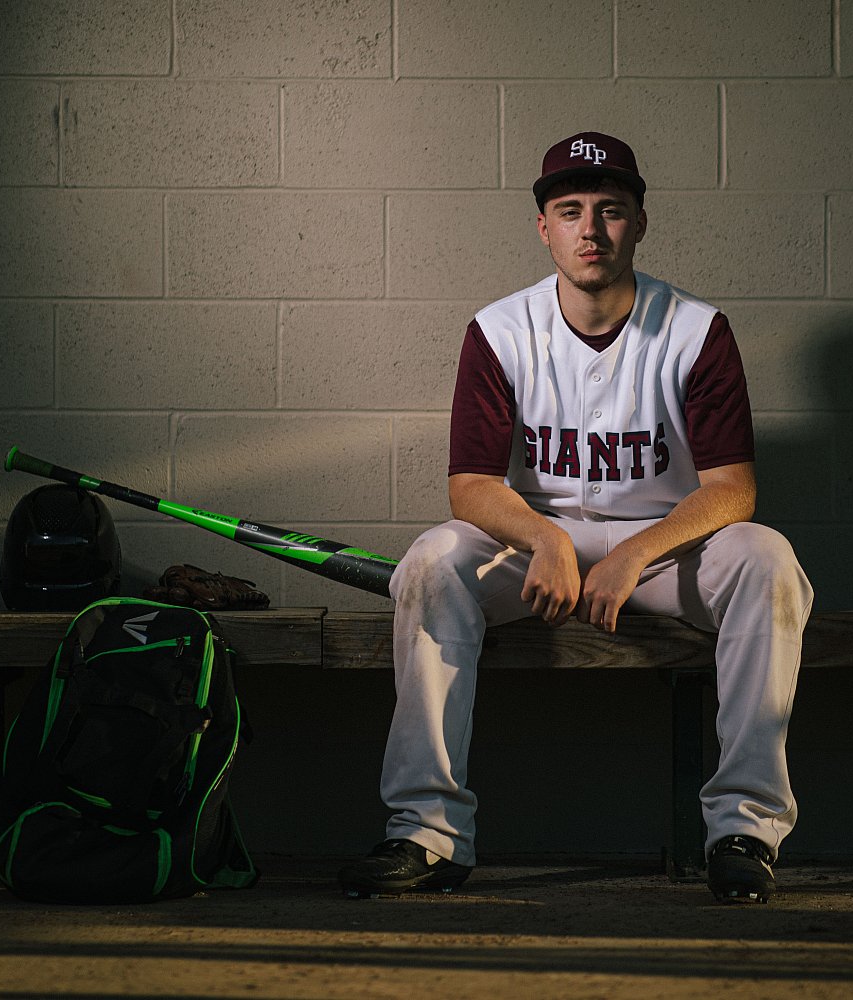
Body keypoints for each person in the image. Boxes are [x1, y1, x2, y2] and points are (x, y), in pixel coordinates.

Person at [338, 132, 814, 904]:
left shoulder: (696, 330)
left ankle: (744, 830)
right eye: (570, 211)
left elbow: (732, 490)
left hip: (665, 553)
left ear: (639, 223)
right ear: (544, 227)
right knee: (430, 561)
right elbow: (471, 486)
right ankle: (426, 834)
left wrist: (631, 555)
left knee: (766, 558)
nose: (590, 229)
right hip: (537, 550)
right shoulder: (500, 330)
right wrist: (546, 536)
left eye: (610, 210)